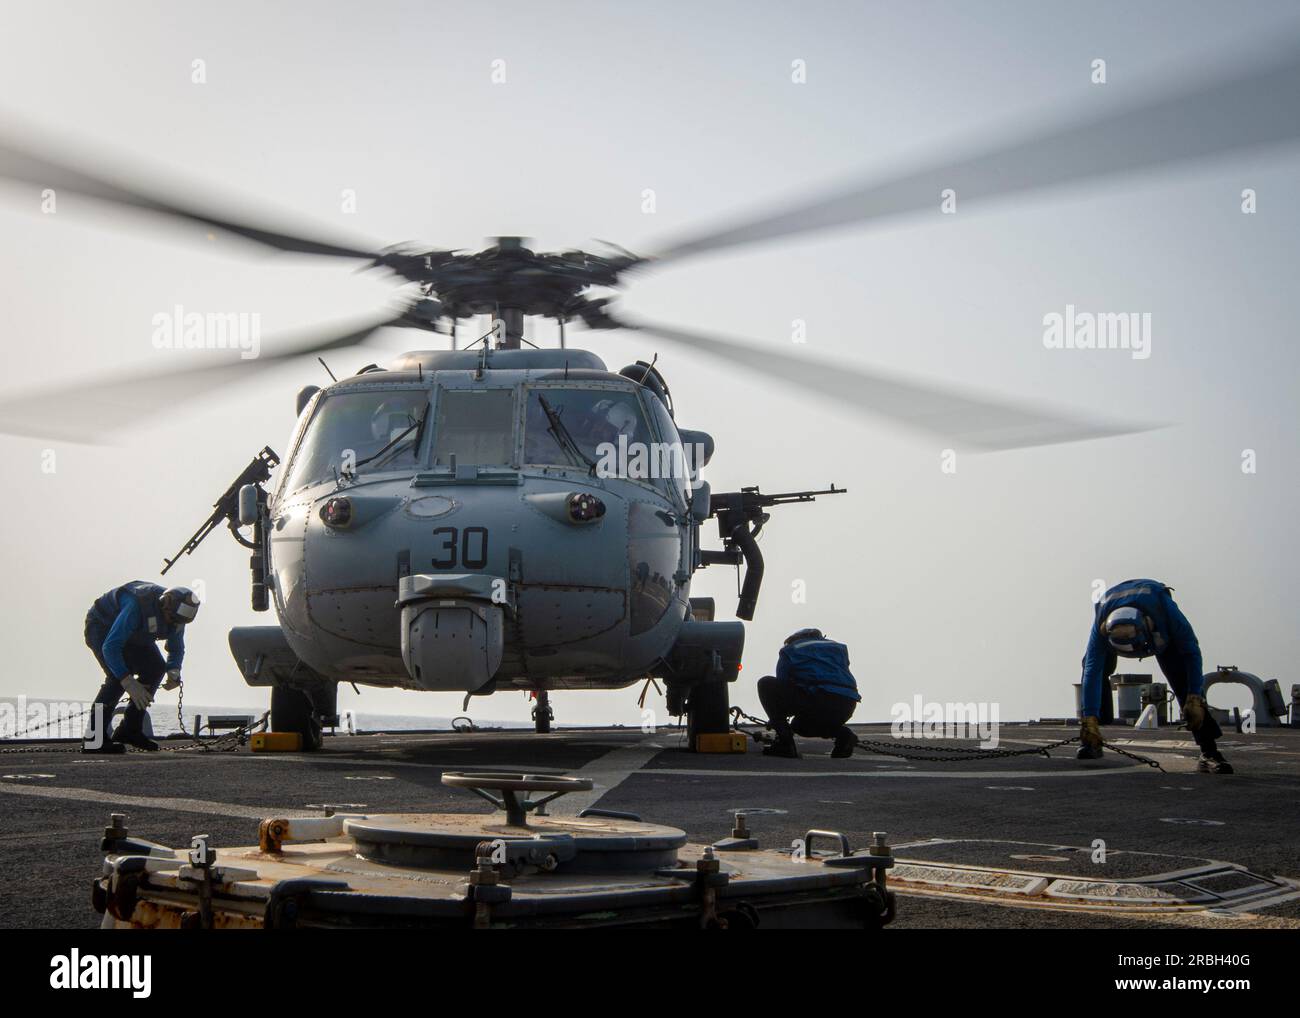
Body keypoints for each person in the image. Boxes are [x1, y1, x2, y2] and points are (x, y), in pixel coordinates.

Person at [1078, 579, 1230, 773]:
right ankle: (1091, 736)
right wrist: (1088, 716)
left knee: (1183, 681)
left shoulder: (1167, 613)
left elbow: (1192, 652)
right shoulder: (1101, 624)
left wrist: (1194, 695)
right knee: (1090, 668)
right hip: (1117, 628)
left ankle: (1209, 752)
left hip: (1161, 633)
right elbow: (1092, 670)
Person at [83, 581, 200, 753]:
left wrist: (174, 672)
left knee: (156, 668)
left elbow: (176, 647)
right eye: (172, 619)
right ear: (164, 606)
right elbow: (110, 647)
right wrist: (128, 681)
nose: (173, 624)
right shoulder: (137, 606)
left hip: (136, 634)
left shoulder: (177, 619)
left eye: (178, 622)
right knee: (116, 678)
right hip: (102, 627)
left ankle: (130, 730)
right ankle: (93, 739)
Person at [757, 629, 860, 759]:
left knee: (766, 683)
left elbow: (781, 685)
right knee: (799, 726)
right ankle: (843, 735)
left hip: (817, 699)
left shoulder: (790, 650)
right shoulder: (837, 648)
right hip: (847, 704)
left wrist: (777, 720)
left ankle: (784, 743)